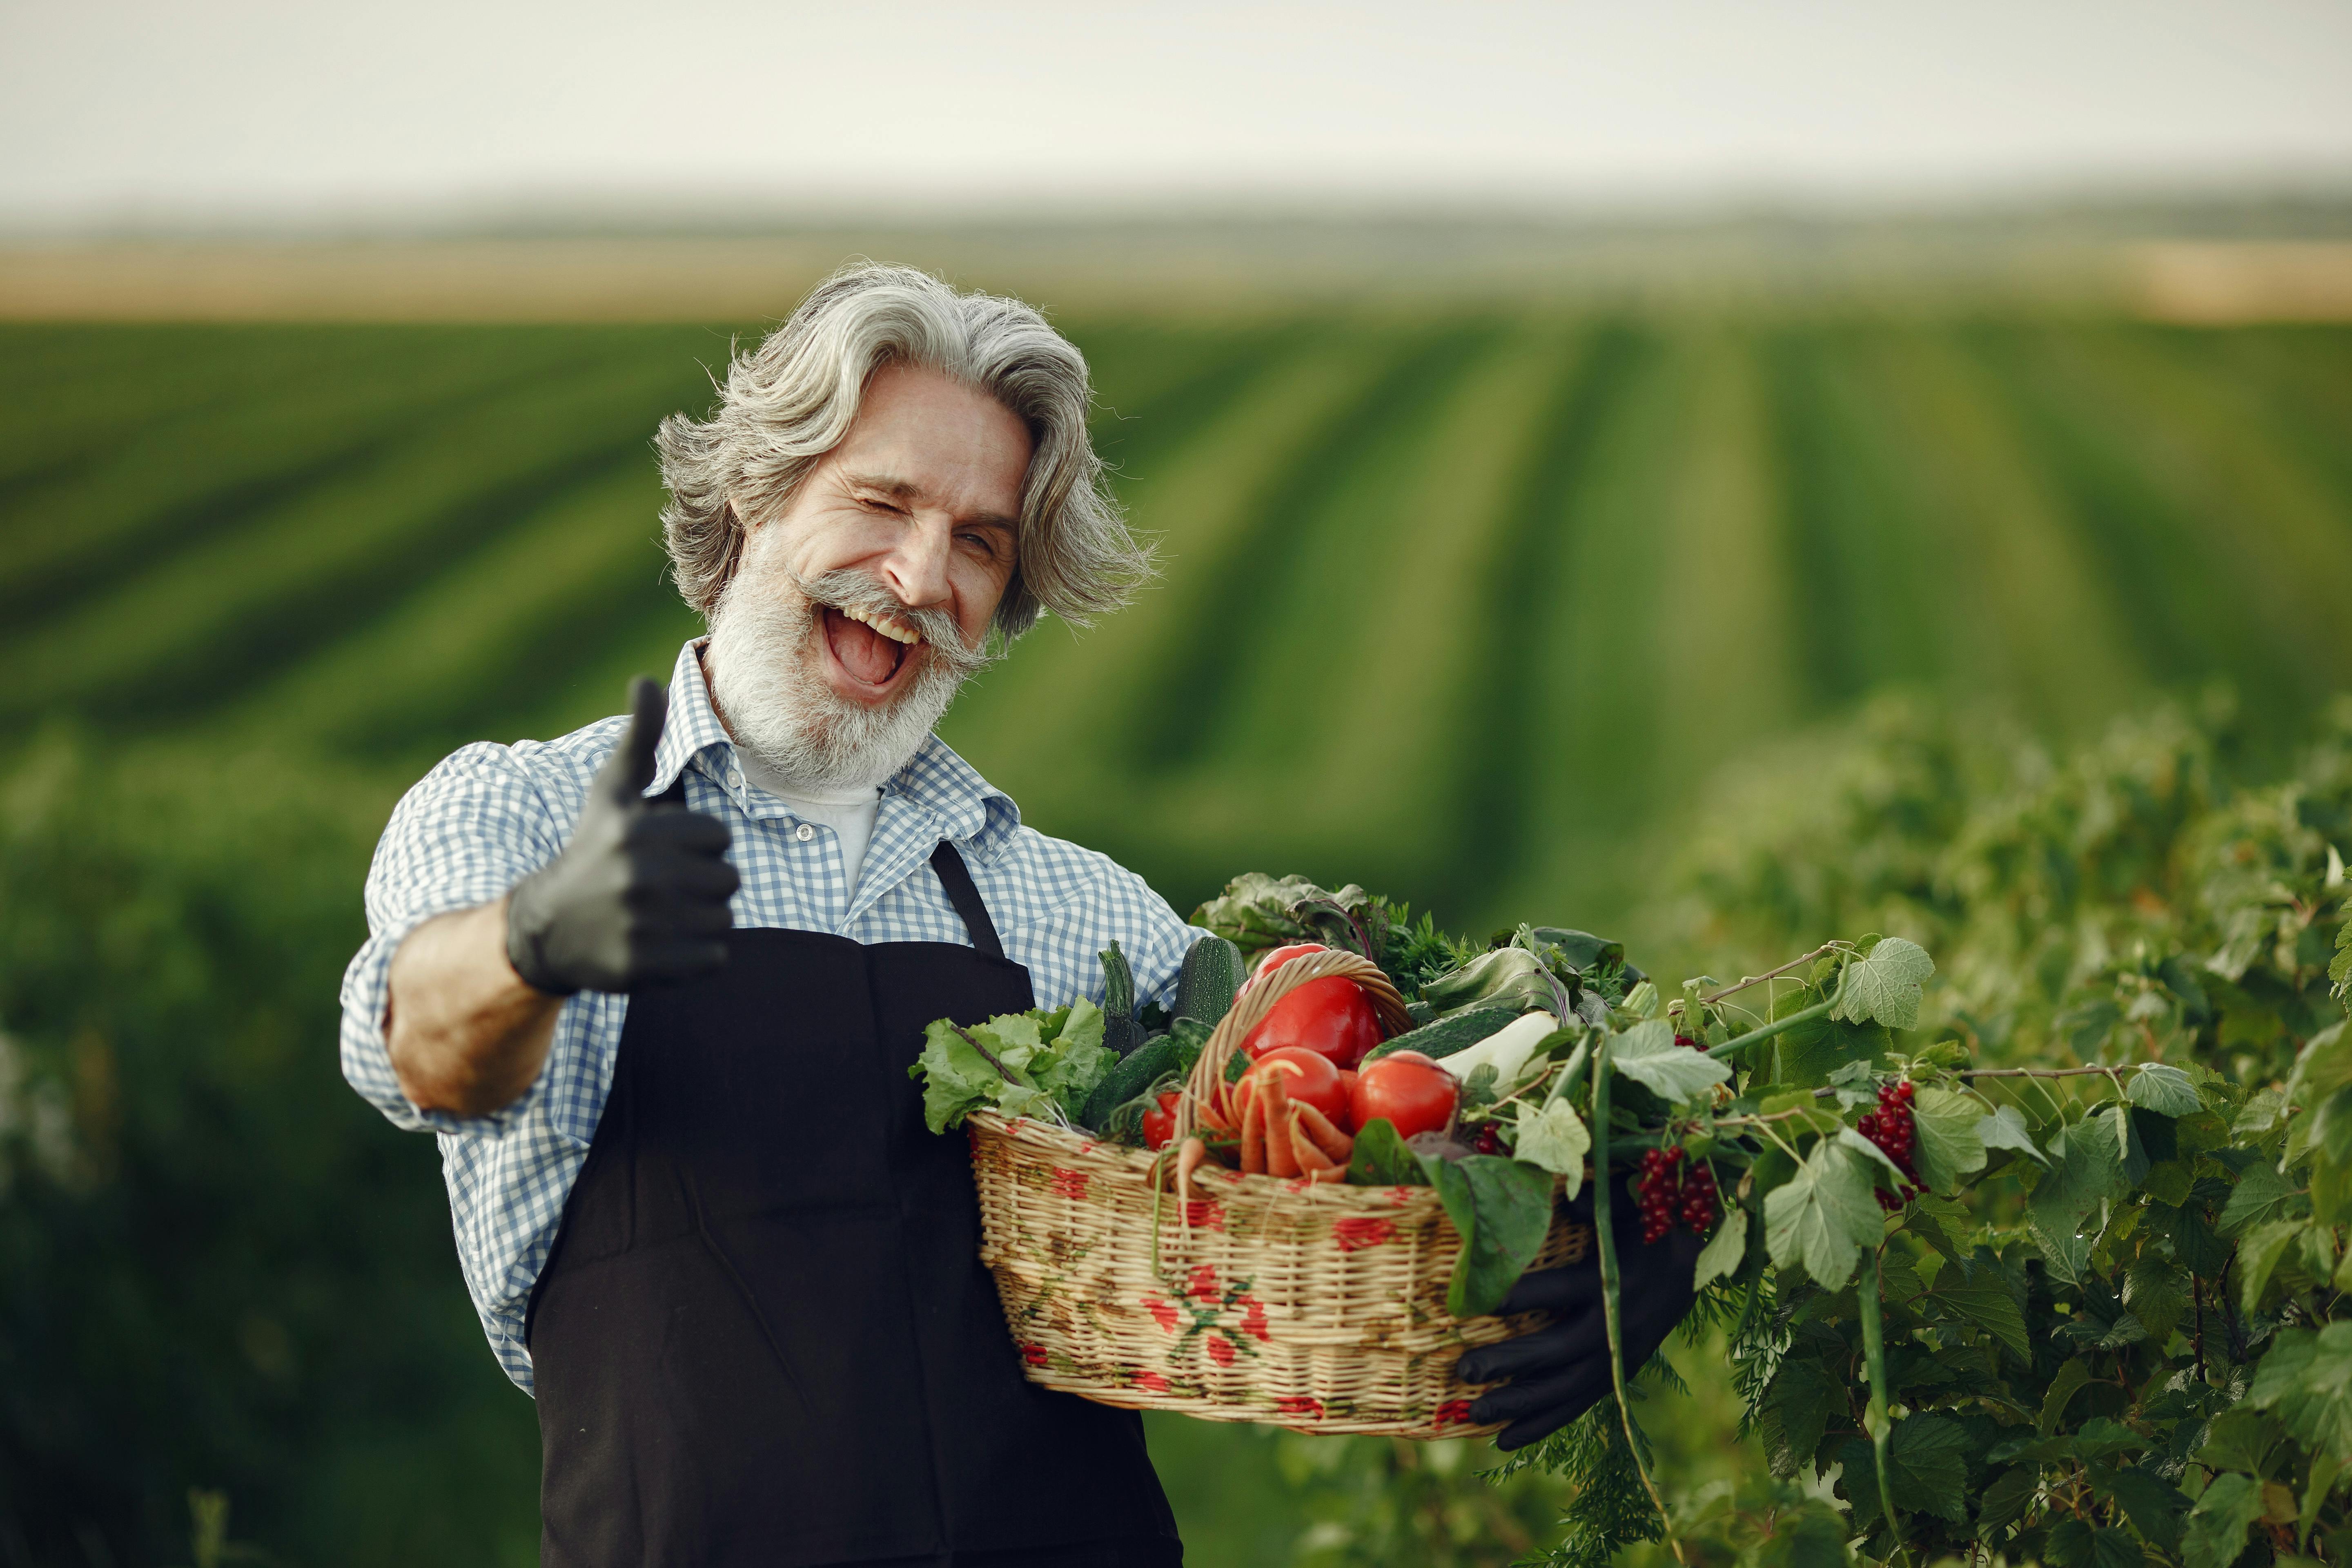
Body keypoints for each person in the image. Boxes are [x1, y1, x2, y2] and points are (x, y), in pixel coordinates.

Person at [338, 262, 1690, 1568]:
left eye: (978, 542)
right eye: (882, 501)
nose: (922, 577)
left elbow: (1346, 1108)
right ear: (756, 498)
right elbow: (426, 1051)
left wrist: (1631, 1216)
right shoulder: (517, 816)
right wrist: (532, 946)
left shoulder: (1068, 905)